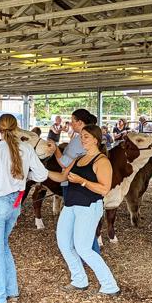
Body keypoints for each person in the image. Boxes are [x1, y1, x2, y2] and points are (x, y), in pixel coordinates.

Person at [0, 114, 48, 303]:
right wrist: (26, 177)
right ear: (16, 128)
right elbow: (42, 174)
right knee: (3, 244)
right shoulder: (26, 149)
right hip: (15, 203)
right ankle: (12, 290)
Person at [47, 124, 120, 296]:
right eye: (81, 136)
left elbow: (104, 189)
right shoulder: (79, 158)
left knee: (83, 248)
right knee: (64, 243)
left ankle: (110, 285)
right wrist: (41, 172)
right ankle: (79, 280)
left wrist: (82, 181)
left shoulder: (102, 161)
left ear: (96, 139)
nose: (82, 139)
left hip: (88, 207)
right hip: (70, 205)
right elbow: (62, 176)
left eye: (86, 136)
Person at [54, 109, 101, 254]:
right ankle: (88, 252)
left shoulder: (78, 141)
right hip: (81, 183)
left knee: (81, 224)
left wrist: (55, 149)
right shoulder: (82, 138)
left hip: (74, 184)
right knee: (85, 224)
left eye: (73, 120)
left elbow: (64, 163)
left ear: (80, 122)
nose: (71, 123)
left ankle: (89, 253)